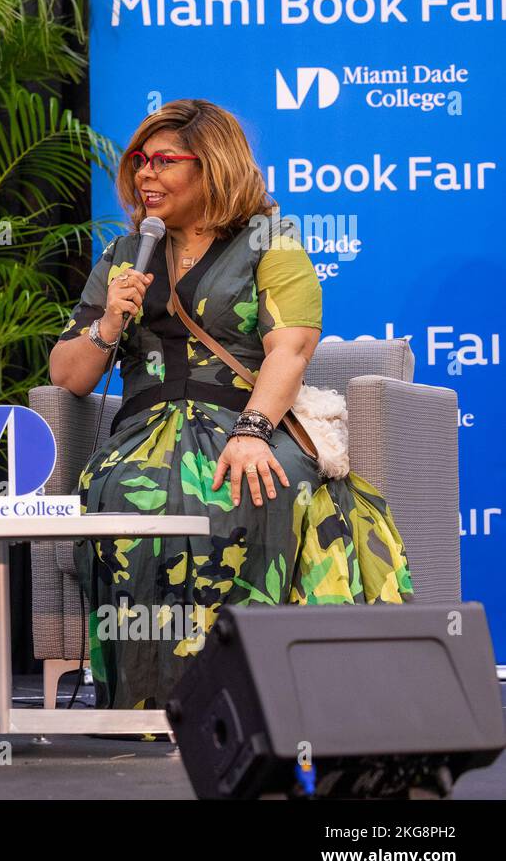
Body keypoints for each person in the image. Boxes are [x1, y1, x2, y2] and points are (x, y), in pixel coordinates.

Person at [48, 99, 413, 711]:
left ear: (212, 165)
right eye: (140, 159)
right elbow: (69, 376)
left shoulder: (269, 239)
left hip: (245, 422)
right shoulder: (122, 255)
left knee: (244, 484)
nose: (144, 173)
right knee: (130, 489)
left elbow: (291, 349)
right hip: (141, 433)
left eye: (164, 160)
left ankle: (249, 701)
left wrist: (251, 430)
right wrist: (109, 319)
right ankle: (147, 705)